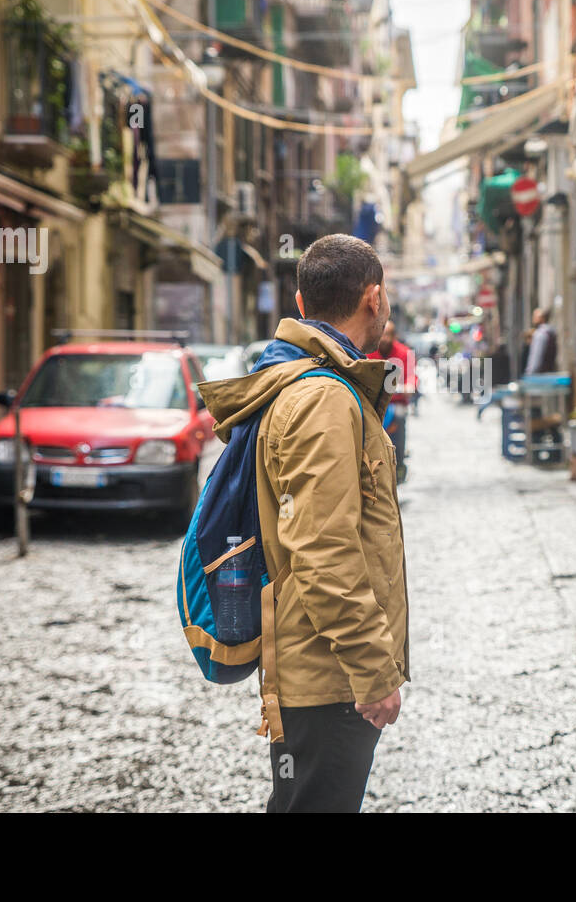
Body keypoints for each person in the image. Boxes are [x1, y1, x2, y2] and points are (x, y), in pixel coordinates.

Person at [204, 234, 408, 812]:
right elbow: (322, 549)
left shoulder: (309, 382)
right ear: (374, 298)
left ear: (300, 302)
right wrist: (373, 670)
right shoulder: (322, 399)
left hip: (318, 666)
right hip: (329, 674)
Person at [367, 319, 416, 479]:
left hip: (395, 403)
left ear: (394, 336)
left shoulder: (404, 352)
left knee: (400, 417)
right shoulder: (369, 352)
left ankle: (400, 461)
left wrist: (409, 386)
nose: (384, 339)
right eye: (382, 334)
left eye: (388, 335)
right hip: (373, 403)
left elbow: (411, 377)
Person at [524, 307, 559, 375]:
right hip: (549, 373)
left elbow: (536, 357)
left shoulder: (539, 334)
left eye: (535, 317)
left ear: (542, 318)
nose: (533, 319)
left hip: (539, 376)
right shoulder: (551, 333)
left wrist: (530, 372)